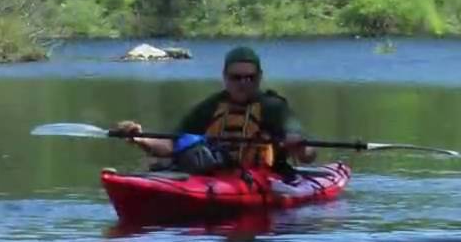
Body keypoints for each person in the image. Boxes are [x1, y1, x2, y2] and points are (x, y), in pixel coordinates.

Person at [115, 46, 316, 173]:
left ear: (260, 77)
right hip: (217, 176)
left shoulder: (274, 107)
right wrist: (139, 139)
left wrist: (298, 145)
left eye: (250, 78)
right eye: (236, 77)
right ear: (225, 77)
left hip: (265, 178)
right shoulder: (211, 107)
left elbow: (308, 154)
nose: (243, 83)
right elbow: (172, 145)